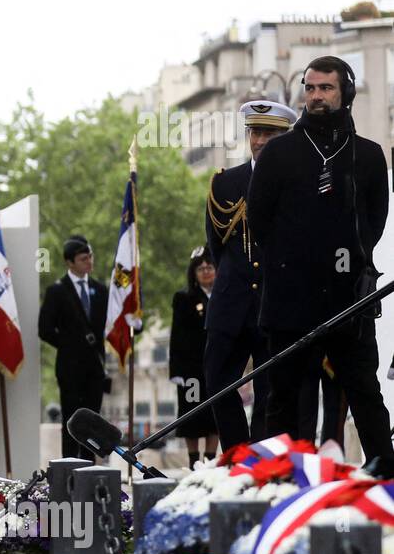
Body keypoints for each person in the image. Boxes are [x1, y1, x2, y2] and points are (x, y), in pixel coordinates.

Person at [247, 55, 394, 467]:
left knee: (364, 392)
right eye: (310, 88)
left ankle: (384, 472)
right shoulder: (278, 154)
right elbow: (260, 222)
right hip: (290, 301)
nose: (316, 97)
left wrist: (346, 261)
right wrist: (297, 262)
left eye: (325, 88)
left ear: (344, 93)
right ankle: (280, 478)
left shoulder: (366, 156)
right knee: (286, 397)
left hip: (350, 300)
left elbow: (374, 221)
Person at [204, 99, 296, 449]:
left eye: (269, 133)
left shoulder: (298, 183)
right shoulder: (225, 183)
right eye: (255, 132)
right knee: (216, 381)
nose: (259, 141)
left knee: (269, 390)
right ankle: (236, 454)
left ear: (284, 136)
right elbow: (216, 247)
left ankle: (259, 460)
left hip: (275, 304)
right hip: (231, 303)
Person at [37, 235, 109, 460]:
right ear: (70, 262)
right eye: (83, 258)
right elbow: (45, 329)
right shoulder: (57, 291)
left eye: (90, 257)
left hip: (95, 366)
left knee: (92, 421)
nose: (89, 261)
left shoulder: (100, 289)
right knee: (71, 418)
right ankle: (69, 466)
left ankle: (90, 465)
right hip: (69, 366)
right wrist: (69, 345)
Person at [169, 247, 218, 467]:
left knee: (215, 415)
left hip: (217, 365)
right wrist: (176, 371)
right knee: (192, 415)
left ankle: (209, 460)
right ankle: (193, 462)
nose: (206, 272)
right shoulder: (184, 298)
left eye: (210, 267)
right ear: (194, 273)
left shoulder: (224, 294)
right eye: (201, 268)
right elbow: (177, 336)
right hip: (191, 368)